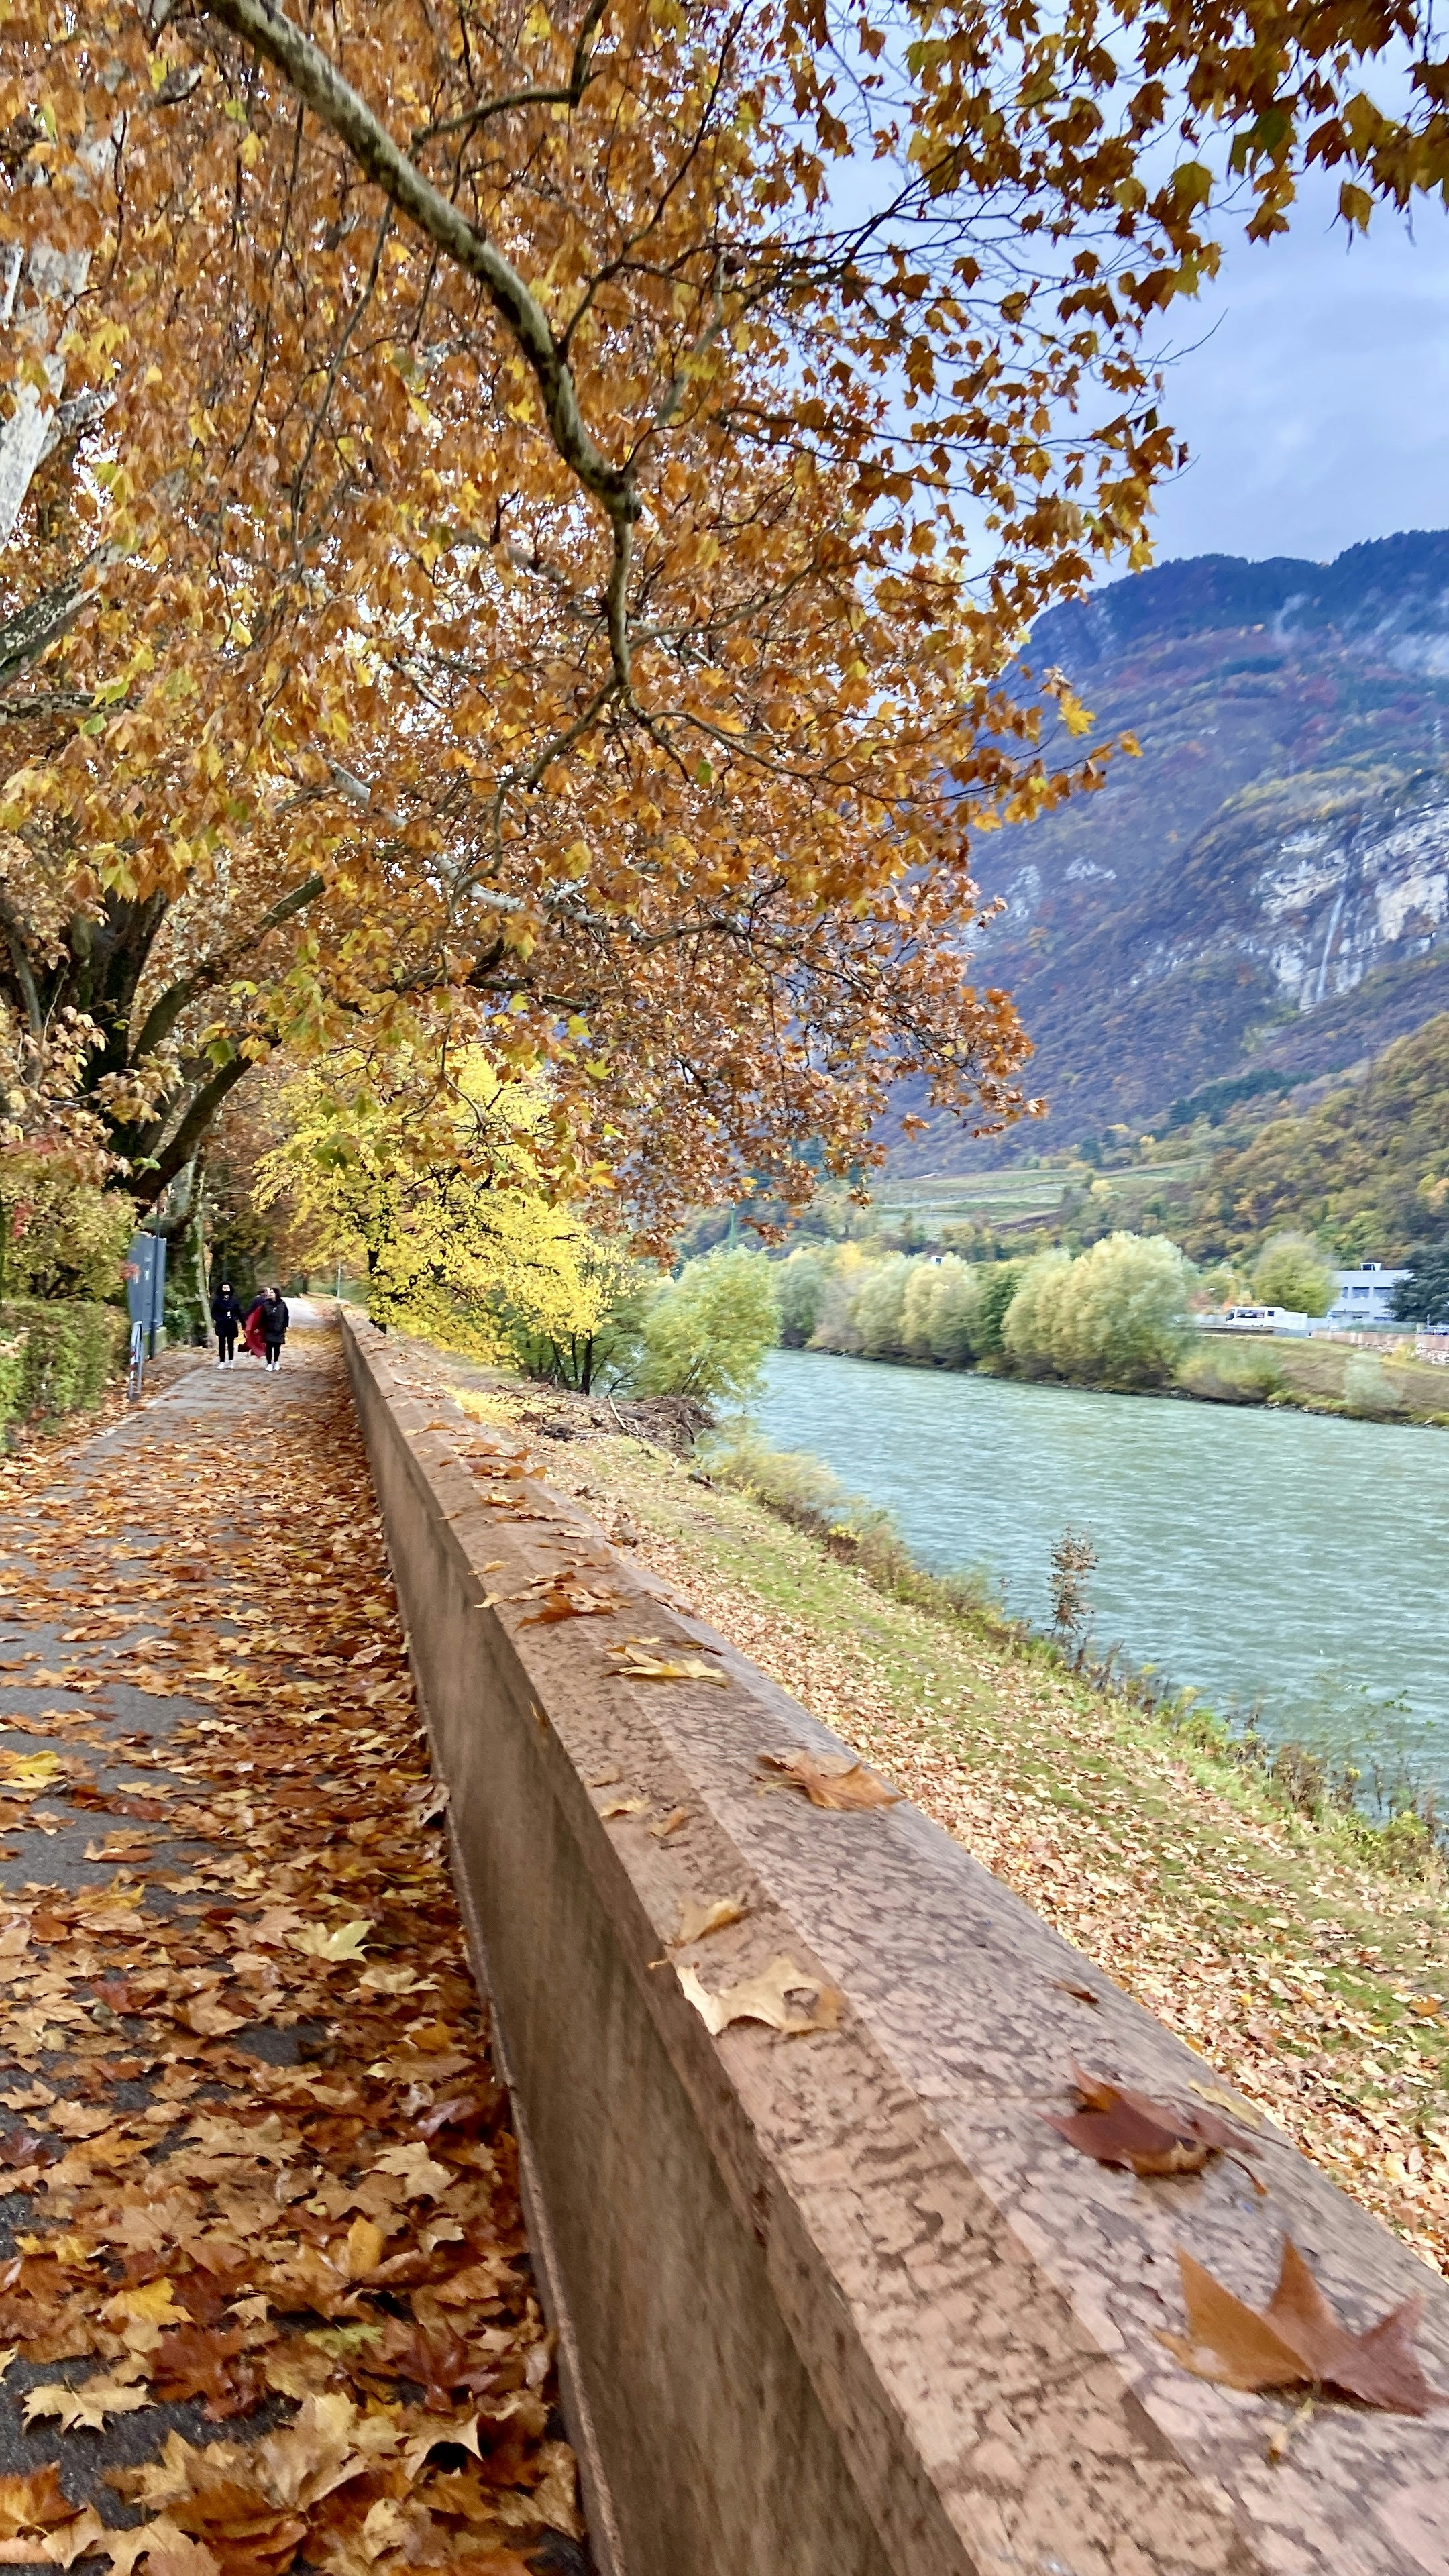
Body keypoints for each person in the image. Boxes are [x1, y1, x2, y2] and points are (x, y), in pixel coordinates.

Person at [211, 1279, 243, 1368]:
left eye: (227, 1287)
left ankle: (231, 1361)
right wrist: (219, 1319)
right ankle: (222, 1361)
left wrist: (238, 1320)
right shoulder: (218, 1300)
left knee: (231, 1343)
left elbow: (238, 1312)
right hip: (222, 1324)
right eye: (224, 1287)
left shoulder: (235, 1300)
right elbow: (214, 1312)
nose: (226, 1289)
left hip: (231, 1324)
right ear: (221, 1289)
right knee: (222, 1342)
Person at [258, 1285, 290, 1373]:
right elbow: (262, 1317)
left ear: (276, 1294)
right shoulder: (265, 1304)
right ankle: (269, 1364)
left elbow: (286, 1315)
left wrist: (286, 1325)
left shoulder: (282, 1304)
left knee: (277, 1347)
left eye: (272, 1292)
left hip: (279, 1329)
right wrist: (259, 1327)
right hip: (269, 1328)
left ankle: (276, 1362)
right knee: (269, 1347)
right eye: (270, 1292)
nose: (270, 1294)